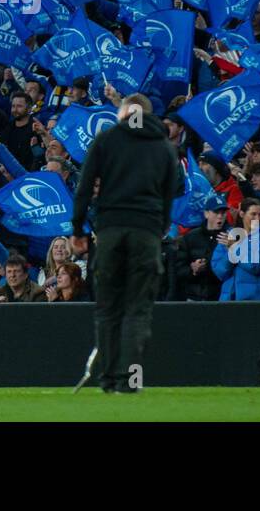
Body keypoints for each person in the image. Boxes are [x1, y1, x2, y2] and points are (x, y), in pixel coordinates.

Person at [71, 93, 182, 394]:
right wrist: (159, 227)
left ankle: (107, 380)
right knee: (137, 310)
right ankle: (129, 381)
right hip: (145, 232)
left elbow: (84, 187)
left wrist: (77, 227)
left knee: (108, 309)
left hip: (110, 230)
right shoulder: (163, 147)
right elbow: (169, 195)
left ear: (122, 114)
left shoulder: (107, 141)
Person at [211, 198, 260, 302]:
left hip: (257, 299)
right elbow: (220, 271)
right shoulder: (230, 234)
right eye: (253, 214)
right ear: (242, 214)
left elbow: (256, 266)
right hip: (229, 298)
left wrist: (234, 248)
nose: (258, 218)